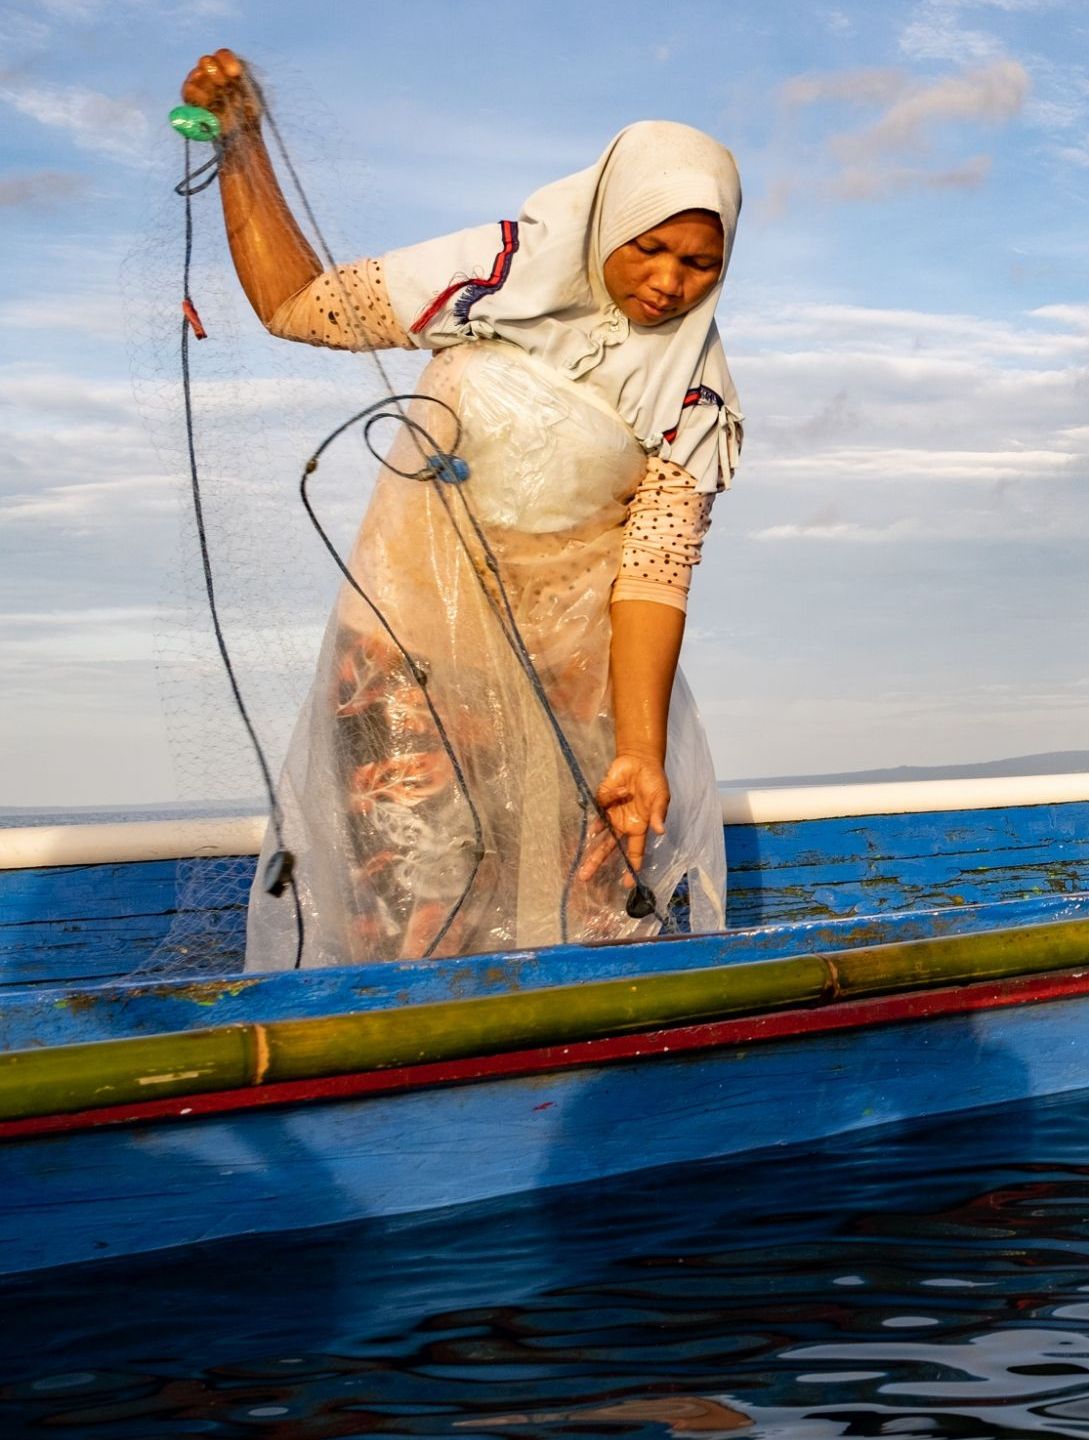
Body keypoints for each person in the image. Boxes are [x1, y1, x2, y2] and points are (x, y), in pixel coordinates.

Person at [179, 51, 742, 968]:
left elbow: (654, 571)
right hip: (405, 661)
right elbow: (297, 303)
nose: (671, 284)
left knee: (576, 908)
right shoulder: (496, 270)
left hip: (573, 690)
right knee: (406, 901)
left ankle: (550, 1097)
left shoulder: (696, 393)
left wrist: (640, 752)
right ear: (607, 219)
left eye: (701, 265)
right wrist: (242, 144)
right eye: (651, 247)